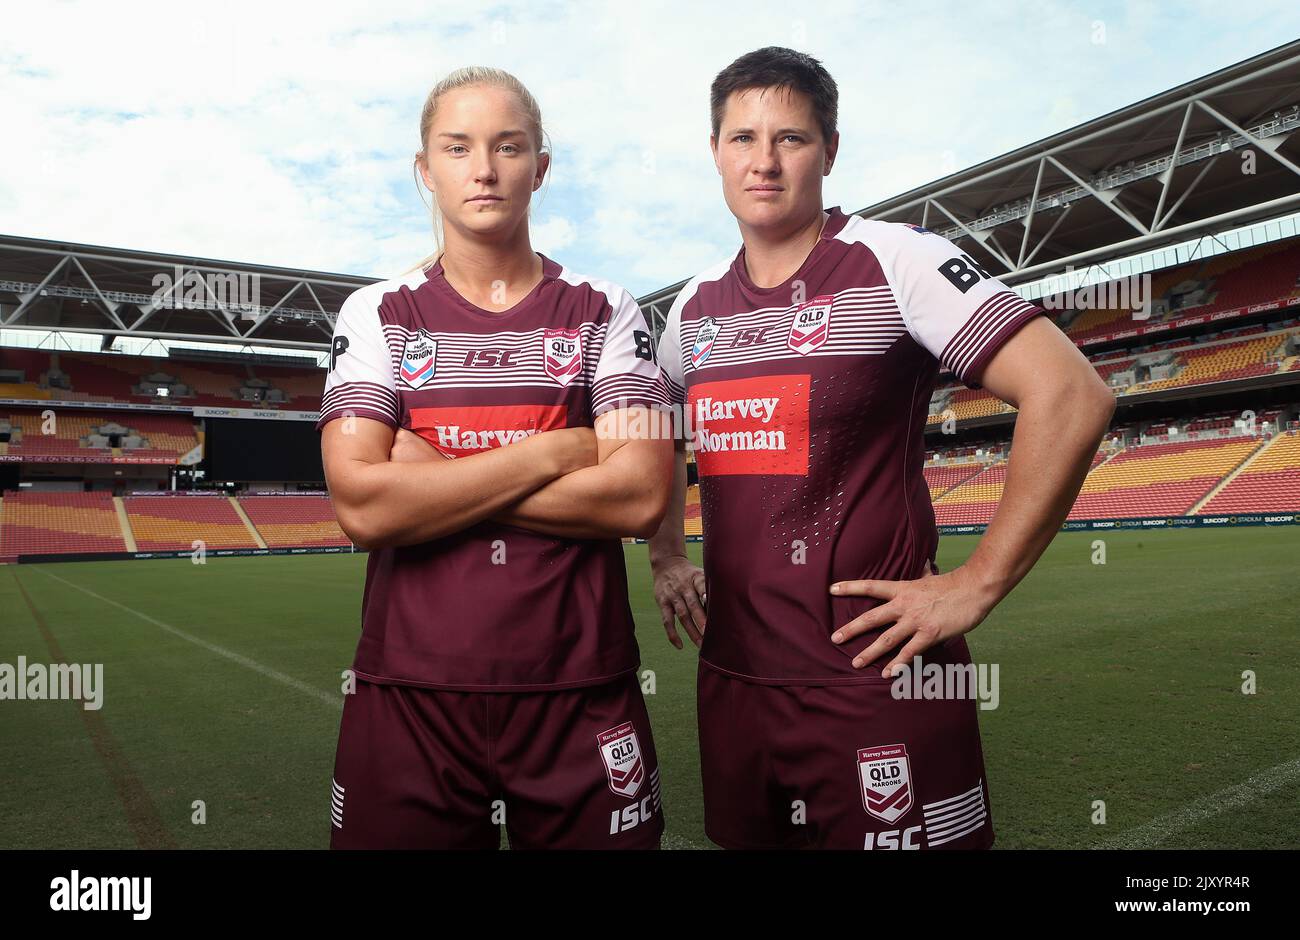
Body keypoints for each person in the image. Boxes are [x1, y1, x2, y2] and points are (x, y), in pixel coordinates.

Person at [649, 47, 1115, 849]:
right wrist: (664, 555)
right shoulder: (694, 308)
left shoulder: (898, 260)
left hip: (879, 676)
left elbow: (1072, 394)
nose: (764, 161)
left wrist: (976, 584)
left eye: (791, 139)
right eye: (742, 138)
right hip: (734, 682)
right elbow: (652, 437)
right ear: (715, 152)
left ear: (830, 150)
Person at [319, 66, 671, 849]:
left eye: (508, 147)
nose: (483, 169)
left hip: (582, 694)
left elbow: (639, 498)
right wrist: (561, 450)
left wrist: (430, 475)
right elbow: (363, 507)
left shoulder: (606, 308)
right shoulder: (377, 313)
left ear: (540, 168)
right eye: (458, 147)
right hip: (409, 698)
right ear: (426, 170)